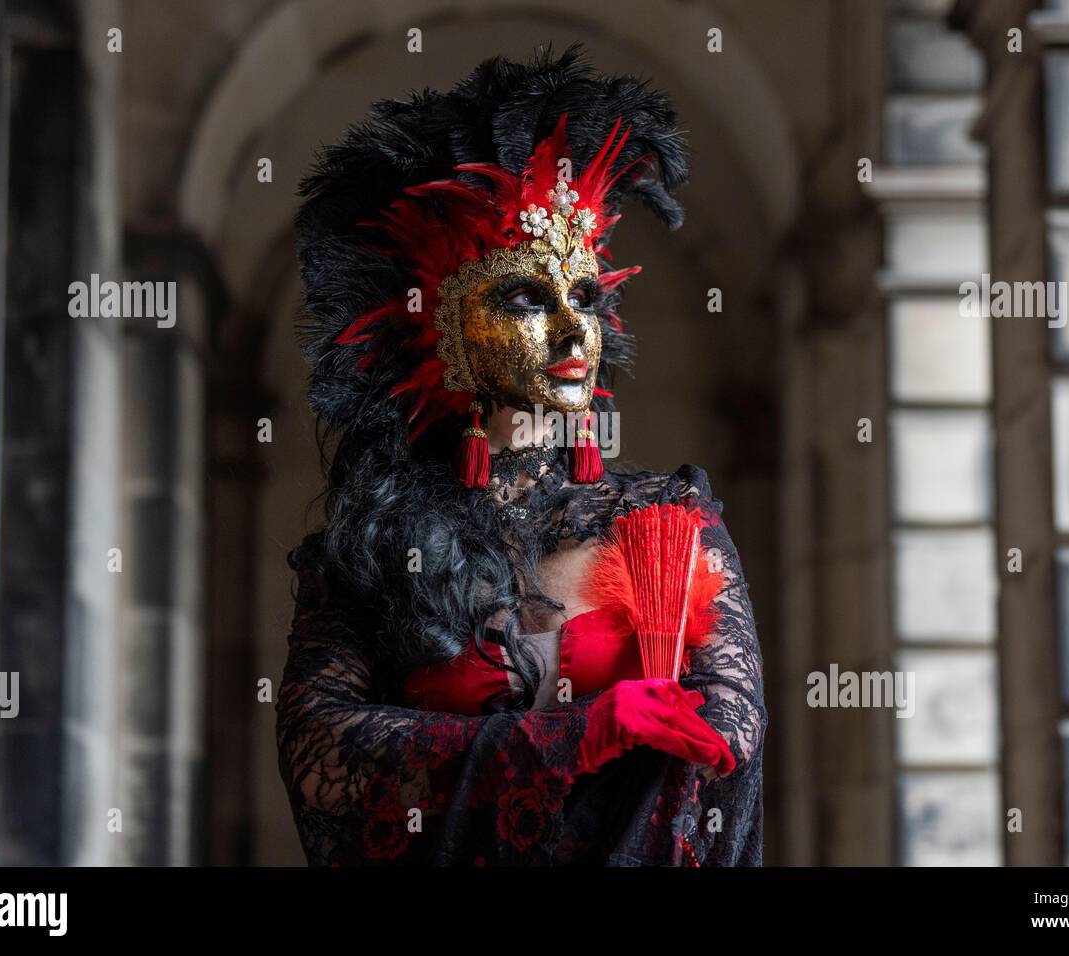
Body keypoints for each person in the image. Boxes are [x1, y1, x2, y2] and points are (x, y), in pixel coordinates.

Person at [276, 45, 767, 866]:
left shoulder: (665, 525)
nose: (577, 330)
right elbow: (323, 754)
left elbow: (730, 731)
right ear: (442, 327)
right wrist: (576, 735)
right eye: (524, 297)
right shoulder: (365, 555)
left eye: (585, 297)